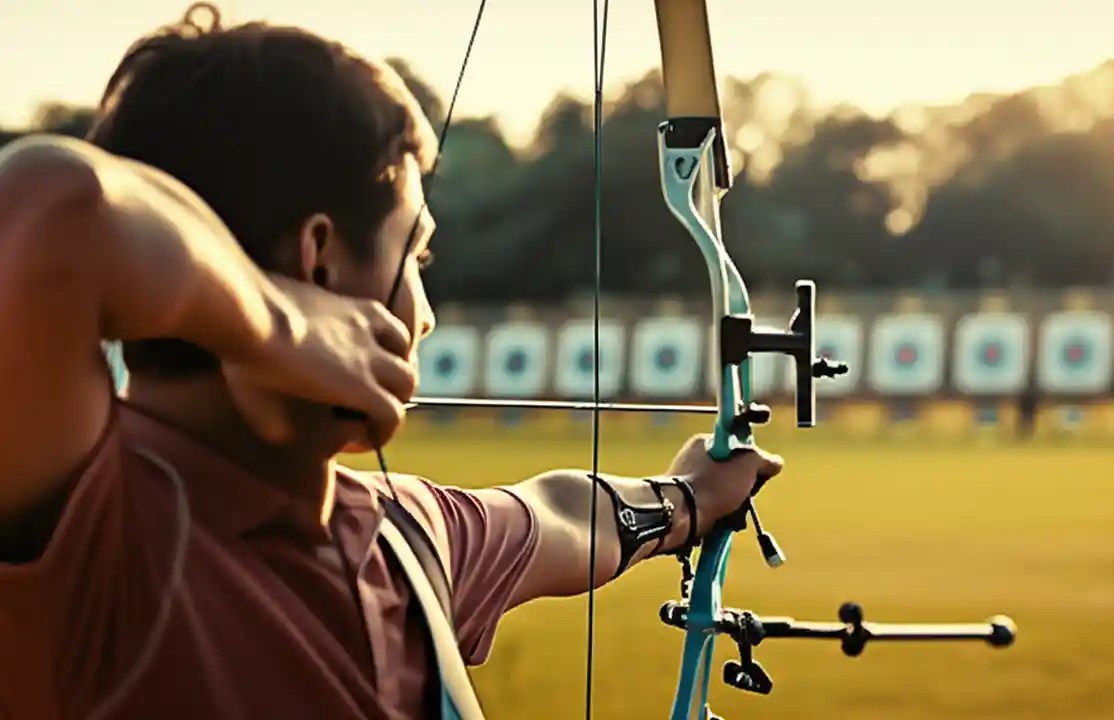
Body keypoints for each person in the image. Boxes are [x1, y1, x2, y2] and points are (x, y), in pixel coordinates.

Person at [0, 5, 784, 719]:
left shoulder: (400, 533)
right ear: (320, 263)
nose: (427, 312)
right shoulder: (93, 529)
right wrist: (289, 330)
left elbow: (561, 514)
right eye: (418, 255)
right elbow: (48, 203)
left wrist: (687, 498)